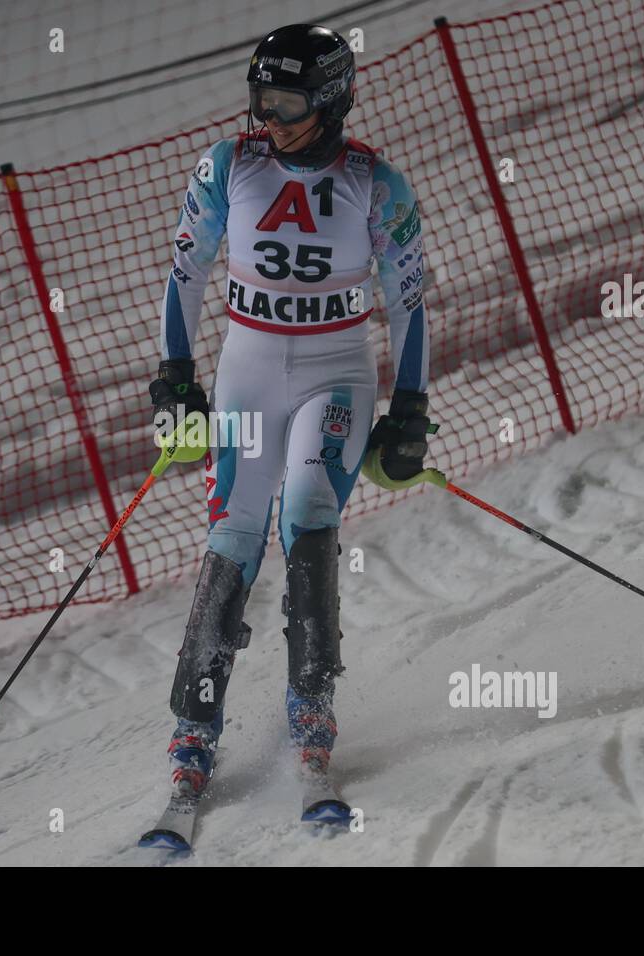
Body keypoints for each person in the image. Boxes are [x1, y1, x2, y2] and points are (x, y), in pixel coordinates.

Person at [148, 23, 432, 809]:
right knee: (234, 532)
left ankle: (312, 712)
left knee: (308, 518)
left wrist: (410, 408)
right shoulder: (227, 167)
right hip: (247, 376)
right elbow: (184, 274)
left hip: (335, 380)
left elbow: (409, 306)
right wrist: (175, 379)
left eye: (287, 102)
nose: (270, 117)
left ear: (333, 99)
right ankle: (192, 730)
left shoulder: (378, 185)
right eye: (261, 100)